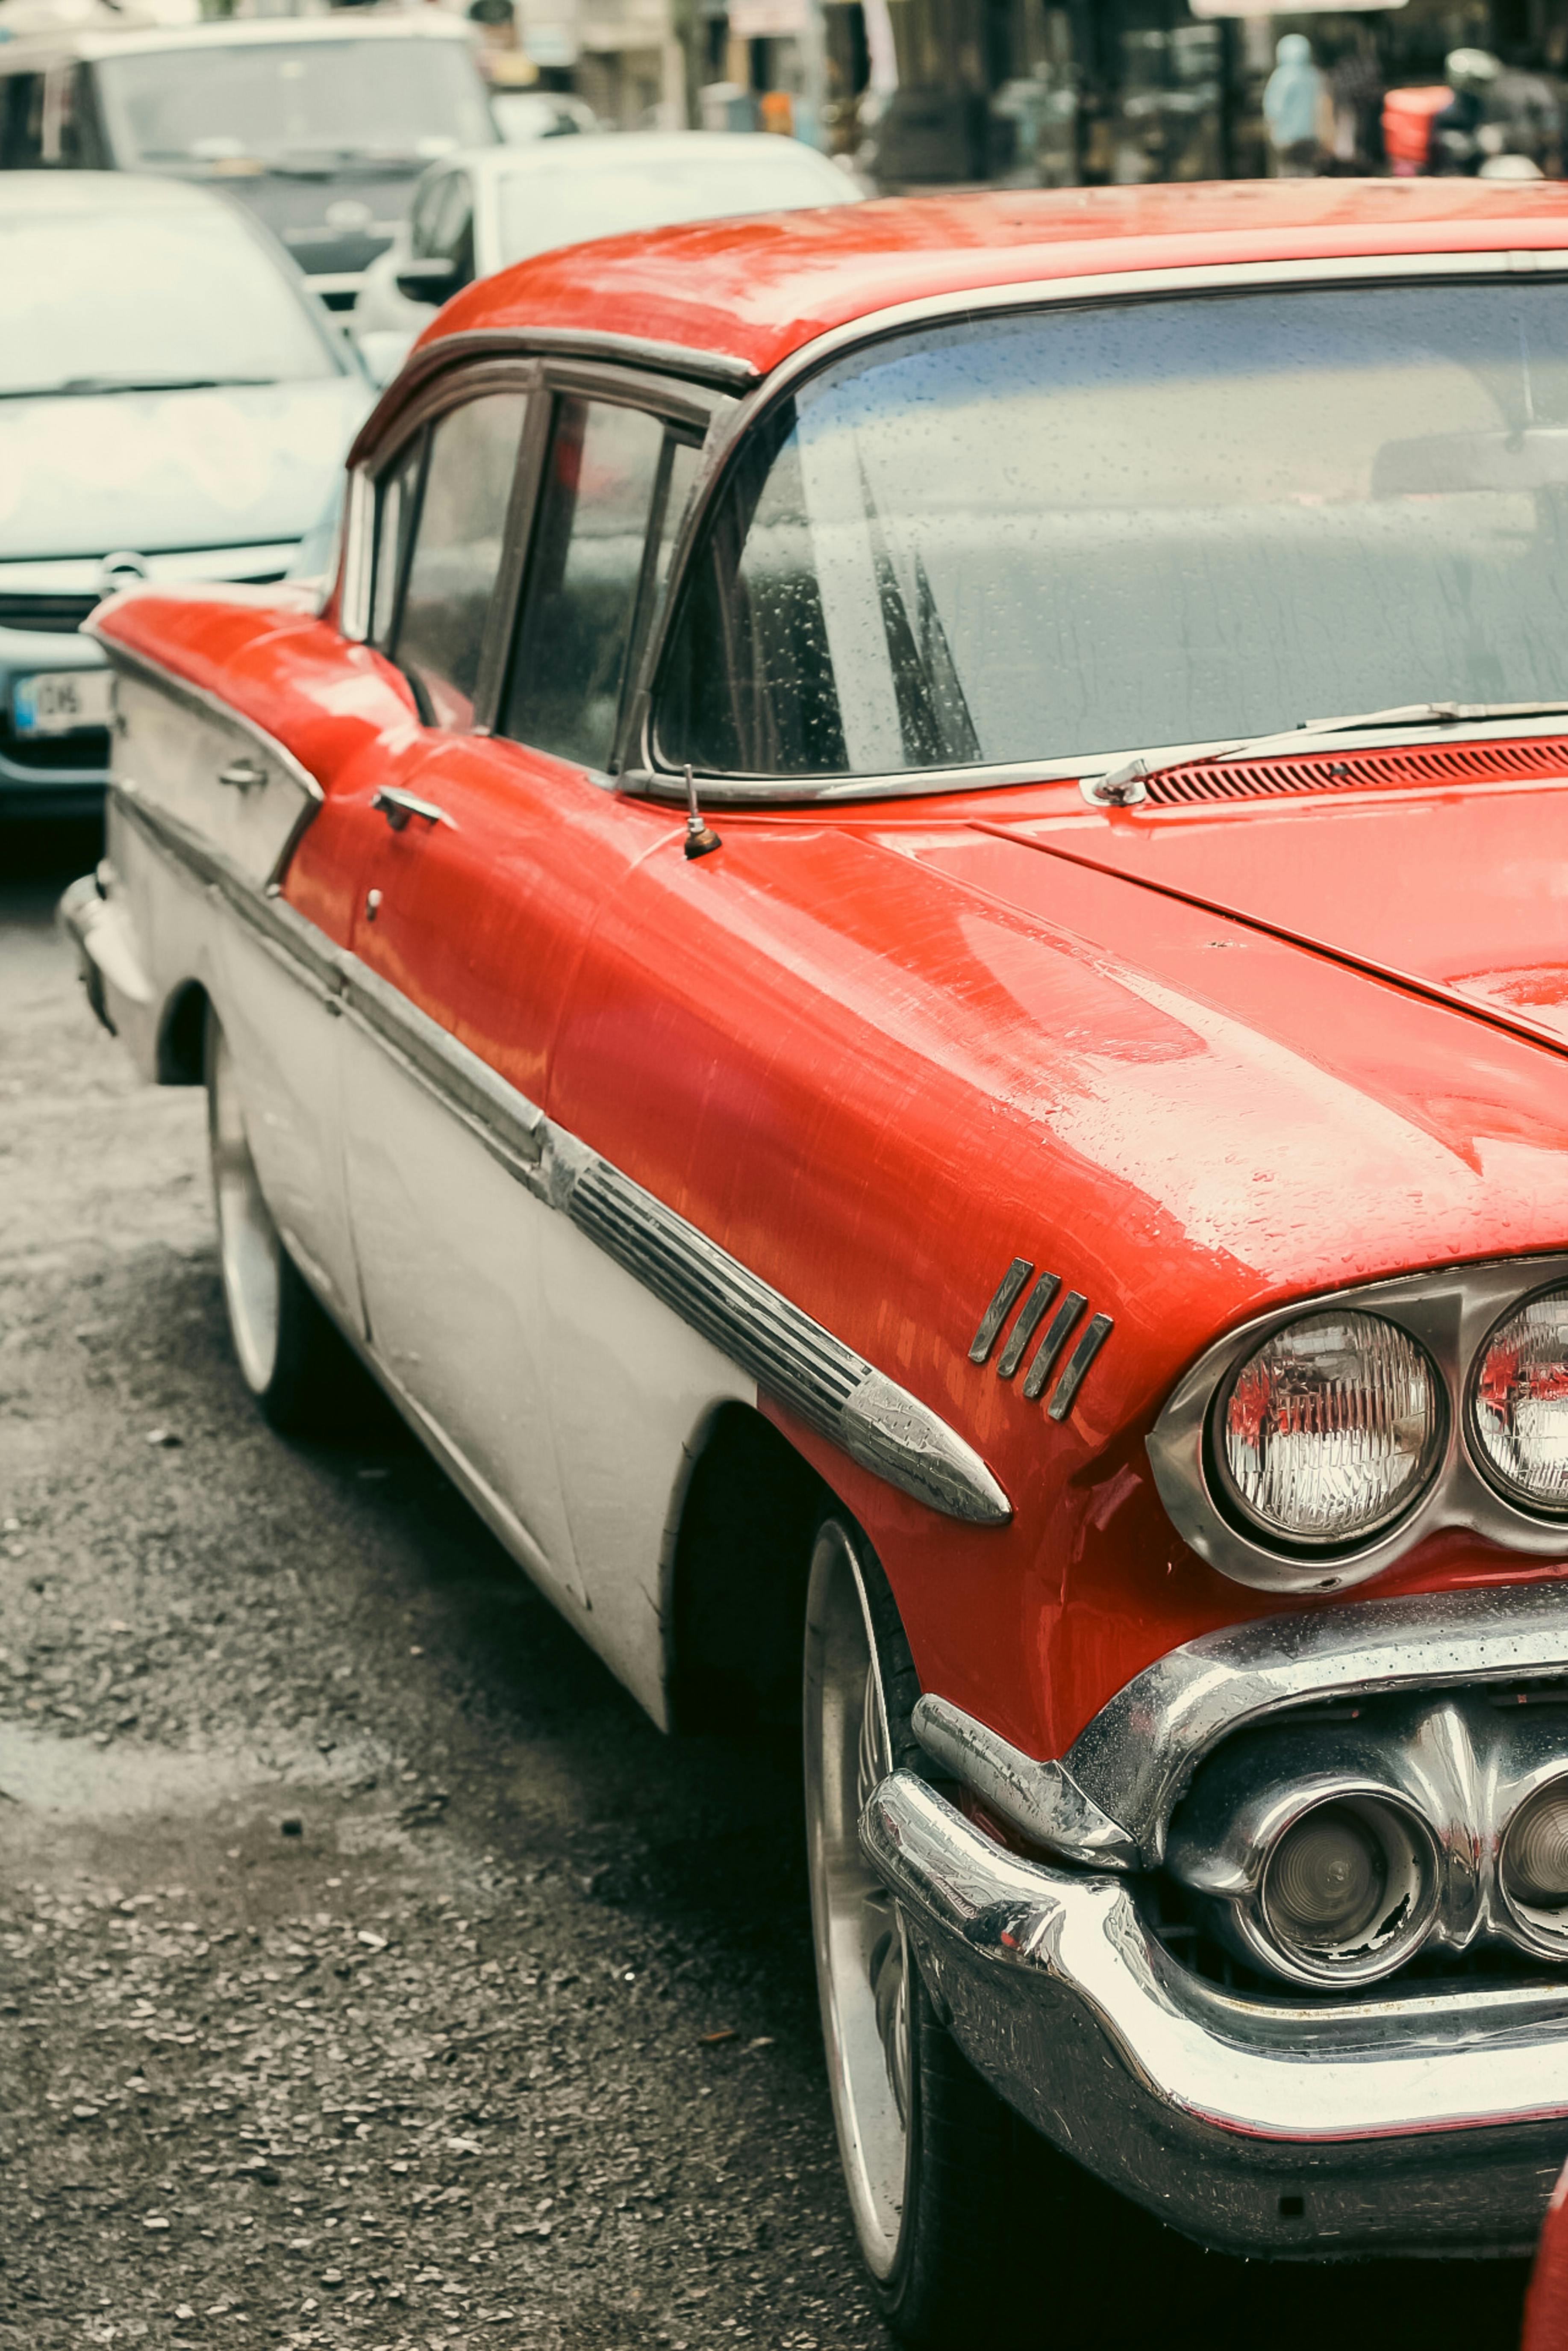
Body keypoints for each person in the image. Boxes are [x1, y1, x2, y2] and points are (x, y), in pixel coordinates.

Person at [1264, 32, 1326, 177]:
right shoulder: (1314, 75)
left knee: (1288, 177)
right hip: (1310, 137)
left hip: (1287, 138)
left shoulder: (1282, 77)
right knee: (1308, 175)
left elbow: (1274, 110)